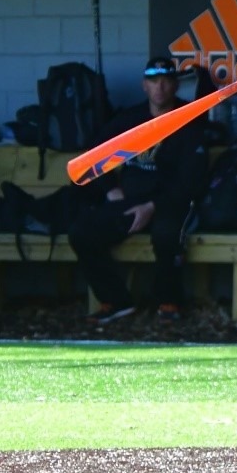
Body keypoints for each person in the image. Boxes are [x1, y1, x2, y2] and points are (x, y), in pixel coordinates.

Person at [68, 57, 208, 328]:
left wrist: (152, 207)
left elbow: (190, 180)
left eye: (166, 81)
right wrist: (111, 190)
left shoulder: (188, 120)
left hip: (169, 203)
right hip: (129, 201)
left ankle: (169, 302)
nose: (160, 87)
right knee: (82, 232)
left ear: (175, 85)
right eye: (154, 81)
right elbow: (93, 156)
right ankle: (116, 301)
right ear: (145, 85)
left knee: (167, 236)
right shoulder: (129, 119)